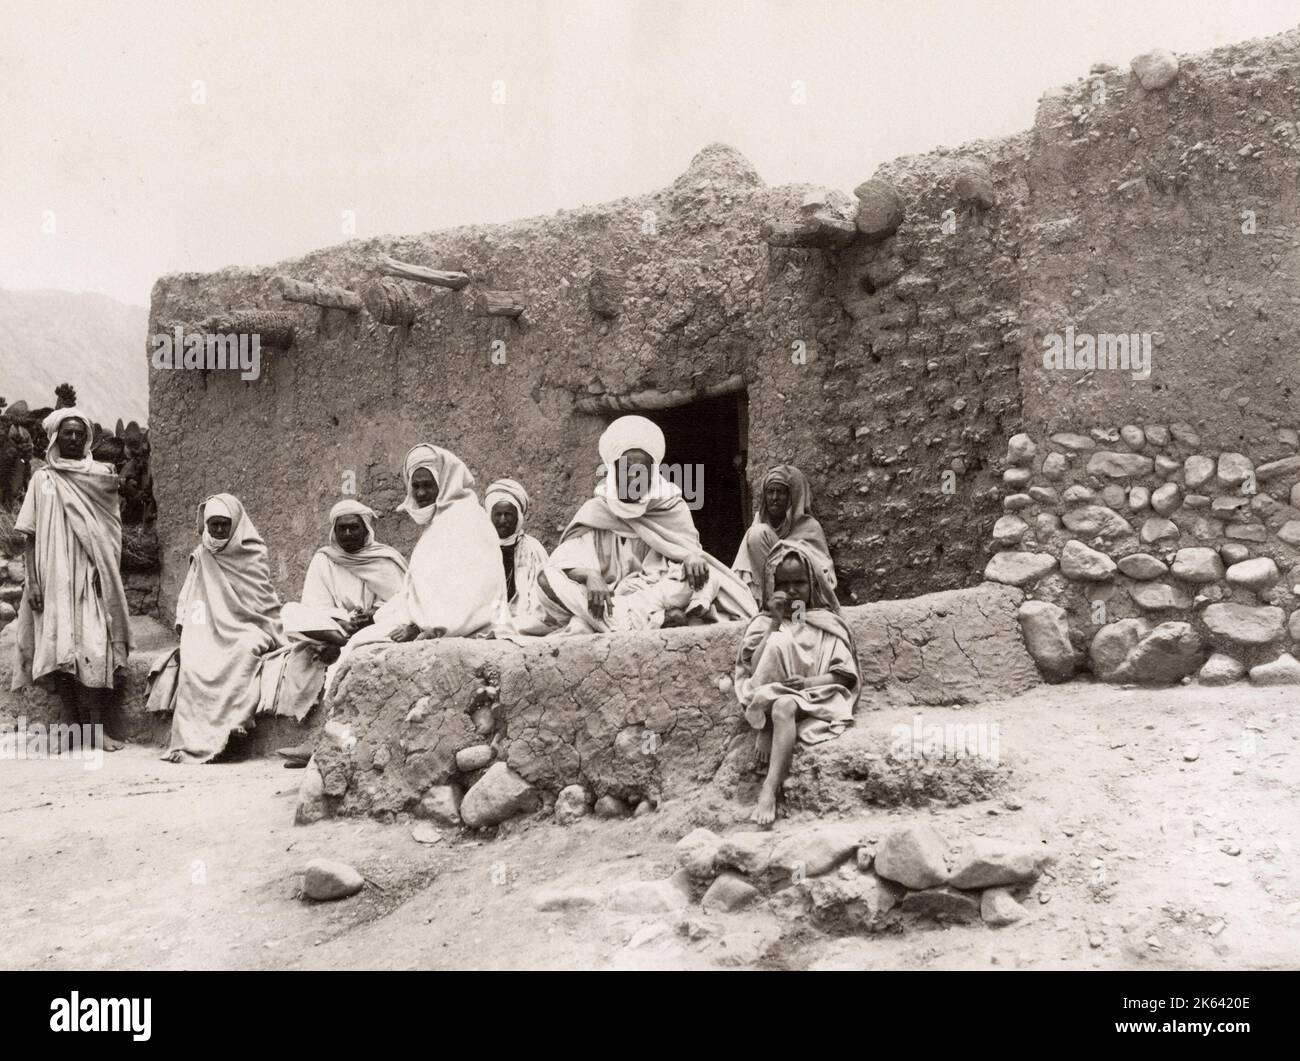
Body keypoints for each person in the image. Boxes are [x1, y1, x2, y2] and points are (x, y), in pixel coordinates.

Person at [537, 415, 756, 633]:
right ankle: (650, 619)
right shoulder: (596, 511)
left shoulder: (670, 506)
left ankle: (611, 622)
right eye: (626, 470)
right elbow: (564, 559)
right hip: (606, 598)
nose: (634, 479)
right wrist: (590, 576)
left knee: (707, 576)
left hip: (654, 591)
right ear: (613, 471)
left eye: (641, 471)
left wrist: (691, 557)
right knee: (546, 579)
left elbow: (688, 552)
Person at [324, 444, 504, 692]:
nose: (420, 493)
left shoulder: (467, 520)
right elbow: (417, 591)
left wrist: (423, 627)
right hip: (433, 622)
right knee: (359, 642)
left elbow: (475, 594)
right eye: (415, 486)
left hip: (462, 626)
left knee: (363, 650)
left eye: (427, 485)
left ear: (445, 481)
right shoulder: (442, 522)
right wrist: (377, 617)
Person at [10, 407, 132, 751]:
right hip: (52, 578)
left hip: (92, 575)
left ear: (88, 437)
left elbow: (111, 531)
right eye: (68, 433)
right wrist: (32, 582)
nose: (75, 439)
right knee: (59, 649)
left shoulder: (100, 476)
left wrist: (105, 574)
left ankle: (96, 729)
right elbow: (29, 535)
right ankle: (77, 730)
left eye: (80, 433)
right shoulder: (43, 480)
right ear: (55, 438)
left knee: (93, 647)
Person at [269, 499, 407, 765]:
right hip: (339, 627)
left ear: (366, 529)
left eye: (353, 528)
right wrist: (341, 622)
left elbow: (403, 600)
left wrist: (373, 616)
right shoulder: (324, 560)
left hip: (376, 627)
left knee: (352, 652)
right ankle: (338, 640)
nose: (347, 534)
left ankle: (320, 741)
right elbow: (315, 605)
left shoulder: (384, 559)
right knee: (290, 612)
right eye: (341, 529)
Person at [150, 494, 287, 763]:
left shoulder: (253, 554)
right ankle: (192, 741)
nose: (220, 530)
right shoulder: (202, 556)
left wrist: (268, 631)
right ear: (206, 526)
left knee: (244, 653)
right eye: (214, 525)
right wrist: (193, 631)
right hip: (209, 628)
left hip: (247, 627)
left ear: (236, 523)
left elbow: (264, 603)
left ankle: (230, 734)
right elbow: (194, 599)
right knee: (194, 661)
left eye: (225, 524)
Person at [734, 539, 860, 826]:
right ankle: (767, 726)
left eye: (799, 583)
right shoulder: (763, 624)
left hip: (816, 694)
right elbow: (754, 670)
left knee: (786, 705)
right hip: (774, 695)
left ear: (812, 583)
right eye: (784, 583)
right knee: (781, 699)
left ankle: (769, 787)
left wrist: (808, 682)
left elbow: (843, 674)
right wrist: (775, 622)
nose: (791, 590)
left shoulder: (825, 622)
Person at [732, 464, 836, 605]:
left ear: (792, 496)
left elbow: (823, 577)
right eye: (770, 492)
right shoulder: (759, 524)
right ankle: (766, 605)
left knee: (797, 621)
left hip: (800, 601)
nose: (774, 497)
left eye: (781, 492)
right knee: (757, 533)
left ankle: (788, 609)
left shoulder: (809, 527)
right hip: (772, 604)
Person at [483, 477, 551, 635]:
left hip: (524, 620)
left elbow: (542, 600)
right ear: (489, 516)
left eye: (508, 515)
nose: (502, 520)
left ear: (518, 517)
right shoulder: (481, 549)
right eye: (497, 514)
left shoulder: (533, 549)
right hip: (487, 620)